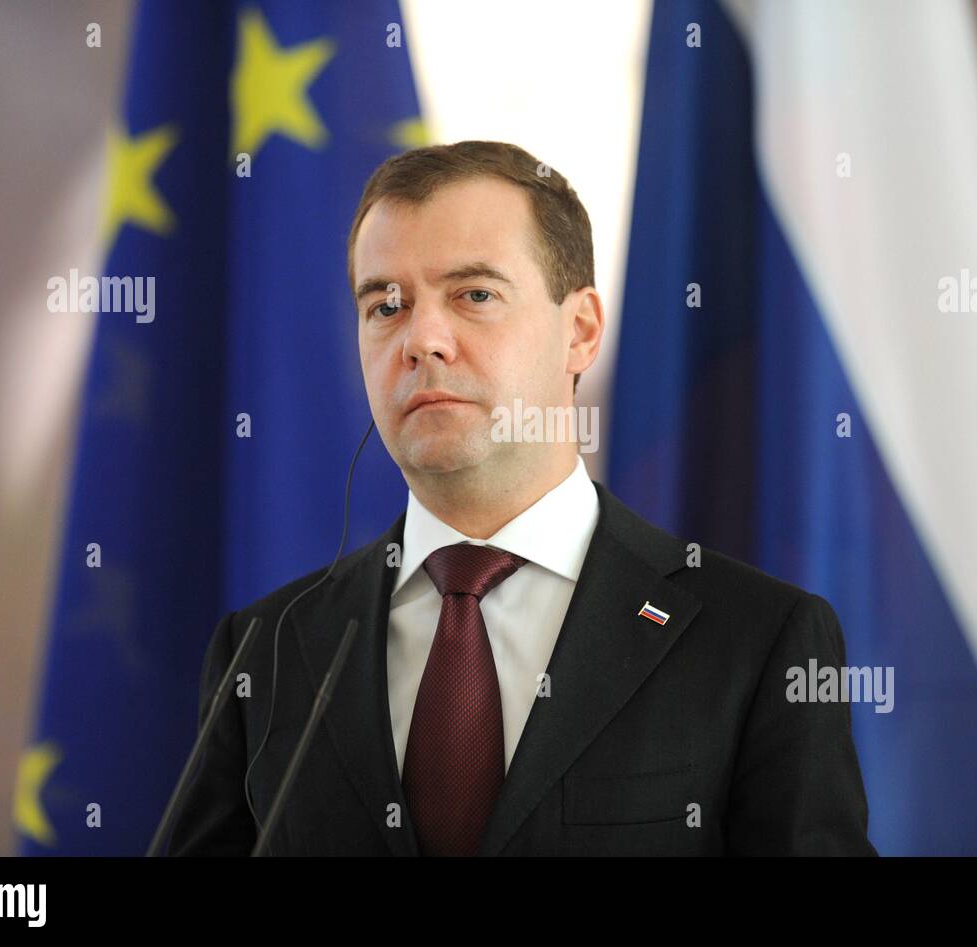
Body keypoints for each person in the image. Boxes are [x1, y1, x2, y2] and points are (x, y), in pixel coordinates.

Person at [167, 140, 876, 856]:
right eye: (386, 304)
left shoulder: (756, 641)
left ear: (581, 330)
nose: (421, 340)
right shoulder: (267, 649)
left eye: (474, 295)